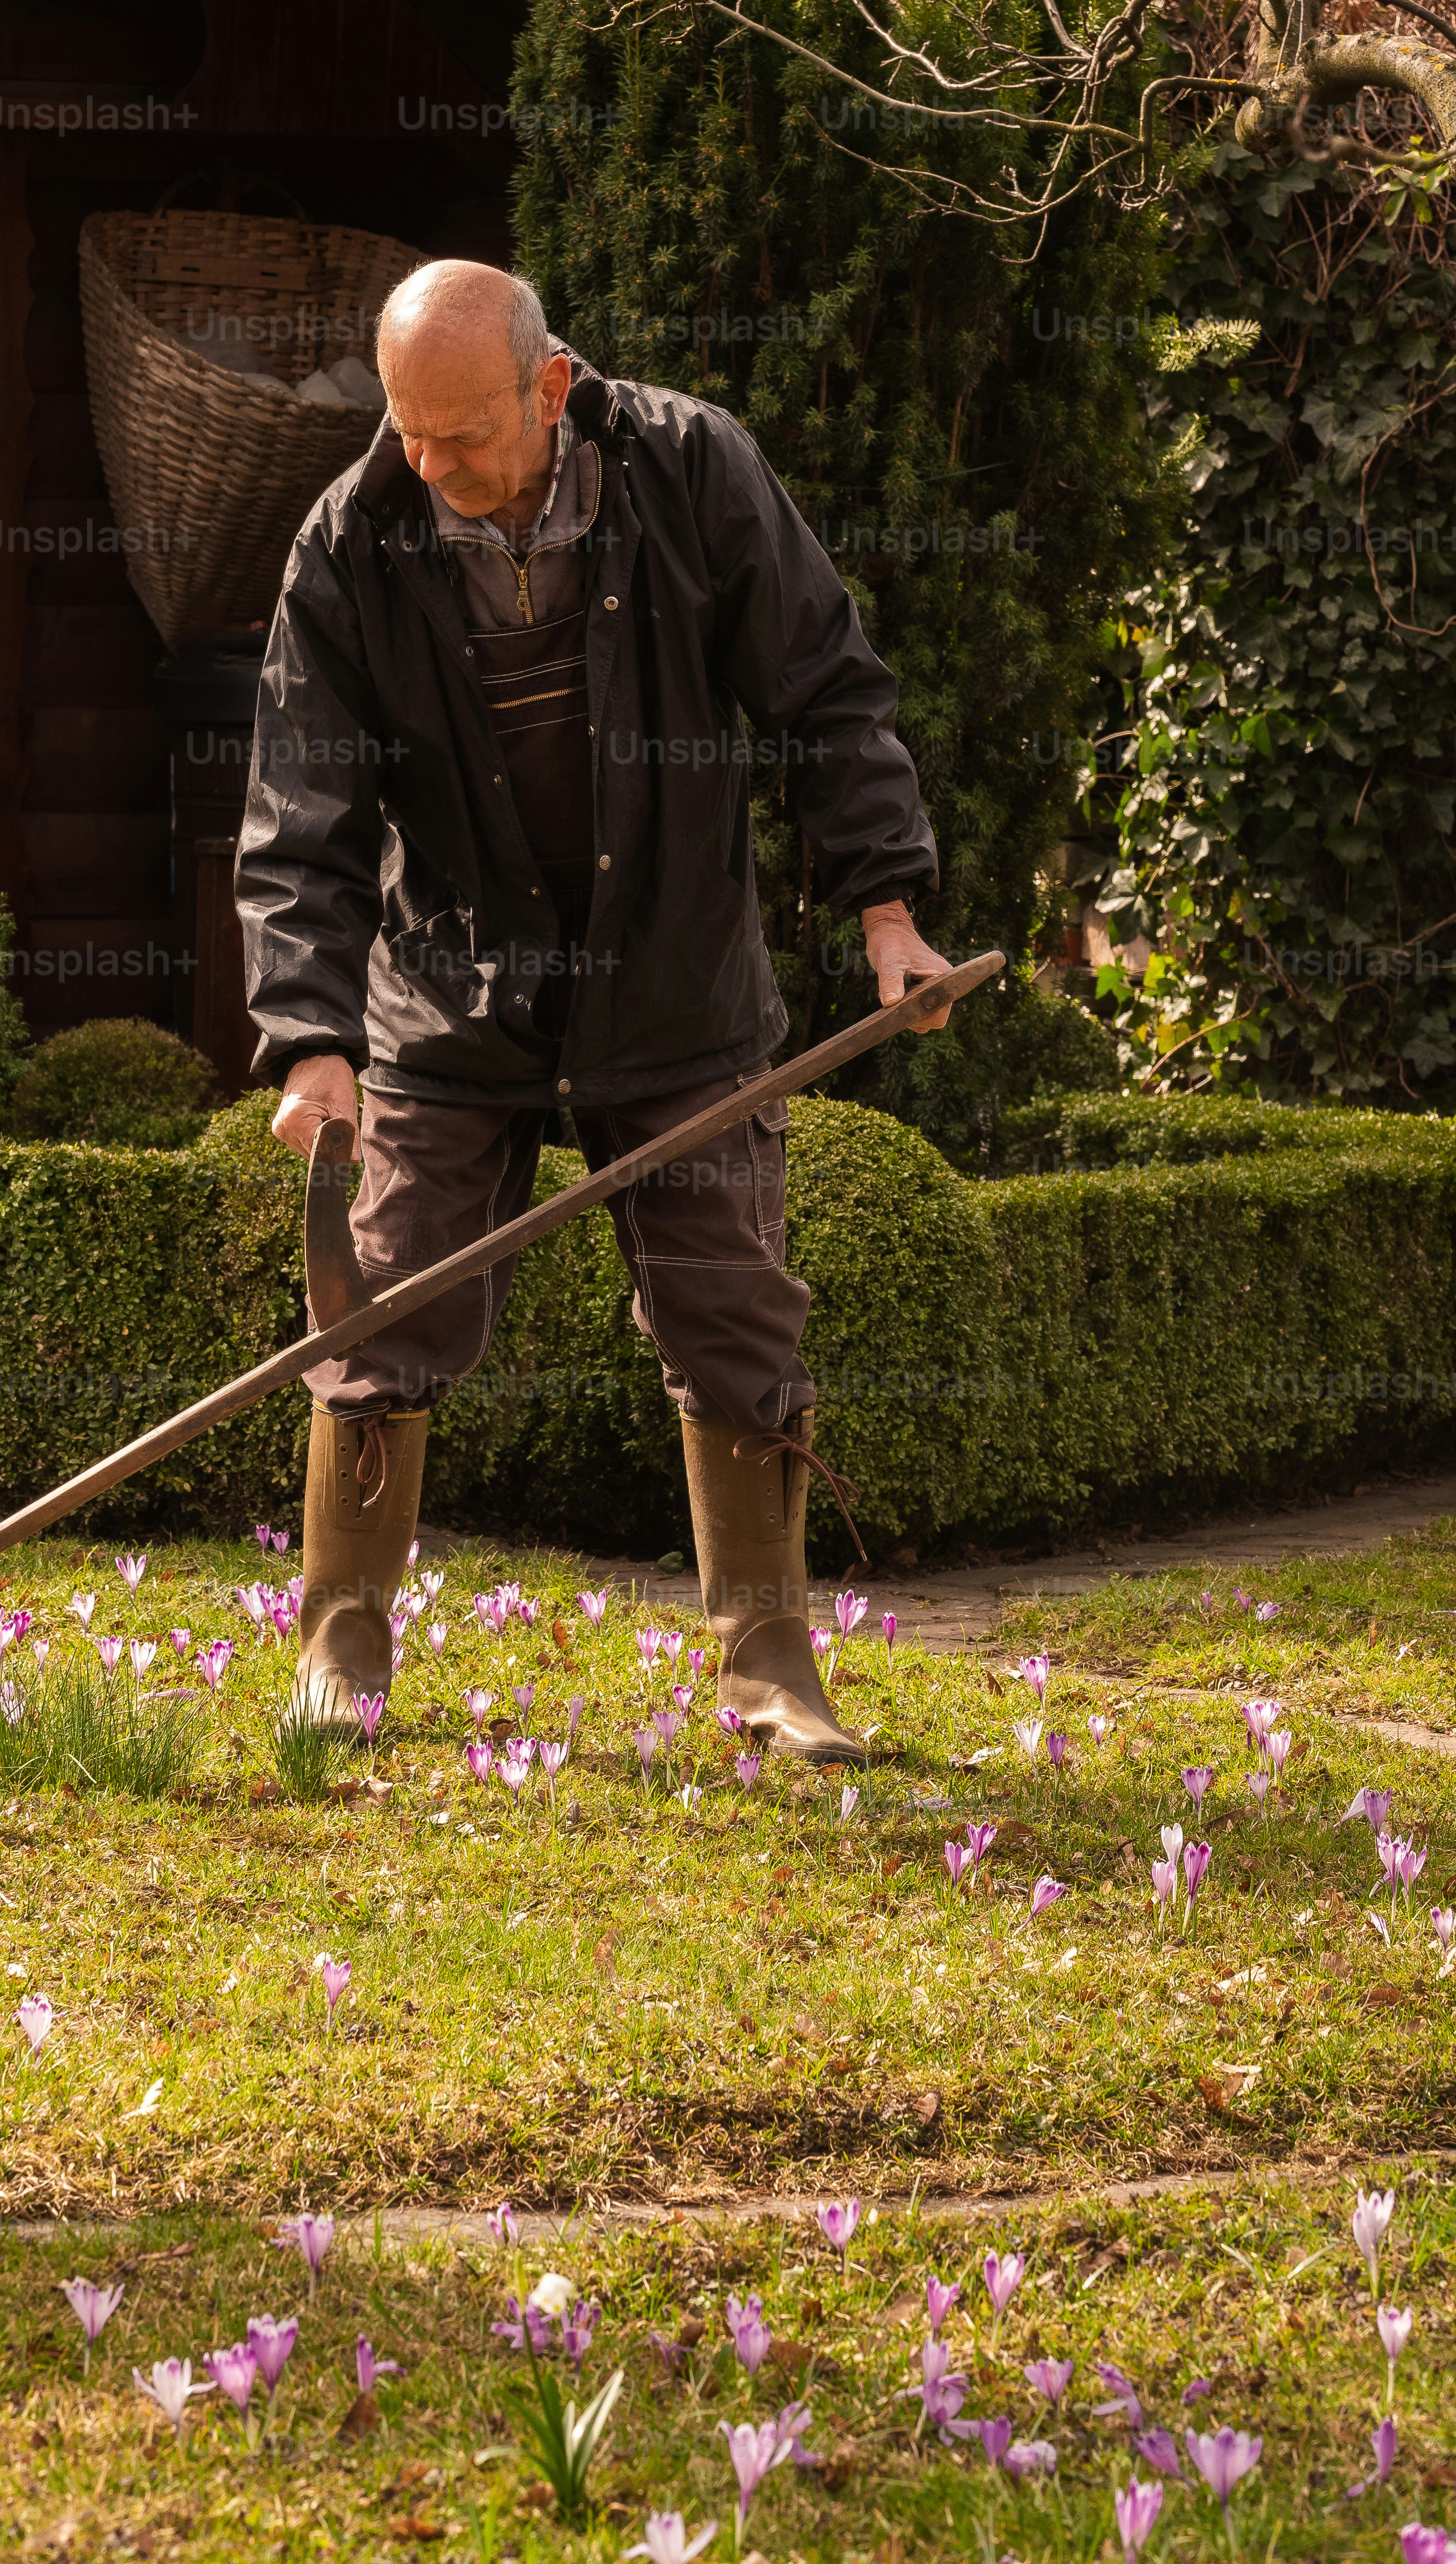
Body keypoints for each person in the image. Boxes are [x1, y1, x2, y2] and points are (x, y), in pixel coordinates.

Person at [235, 260, 947, 1761]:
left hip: (673, 978)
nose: (431, 470)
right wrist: (311, 1042)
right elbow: (302, 808)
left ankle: (766, 1661)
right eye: (407, 436)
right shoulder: (353, 539)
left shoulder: (693, 472)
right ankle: (340, 1648)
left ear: (551, 389)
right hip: (451, 985)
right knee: (375, 1311)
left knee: (735, 1311)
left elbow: (824, 688)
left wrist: (890, 911)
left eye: (464, 438)